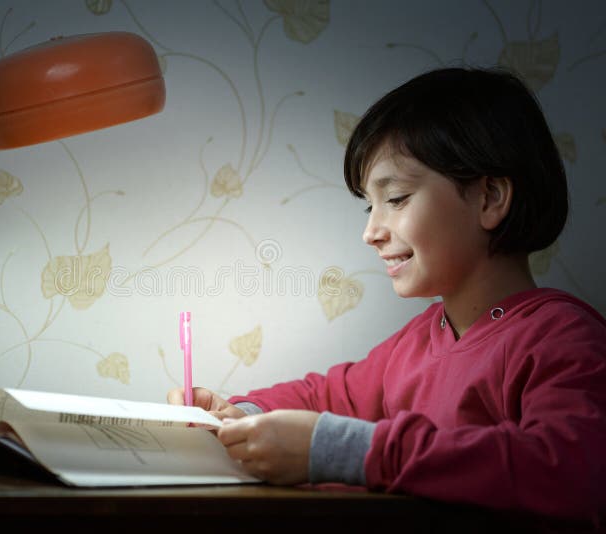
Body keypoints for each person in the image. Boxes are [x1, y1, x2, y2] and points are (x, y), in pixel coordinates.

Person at [168, 67, 606, 527]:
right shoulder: (418, 340)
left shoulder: (563, 340)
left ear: (490, 198)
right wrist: (239, 414)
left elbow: (569, 474)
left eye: (395, 198)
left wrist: (345, 450)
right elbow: (326, 395)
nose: (371, 232)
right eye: (369, 205)